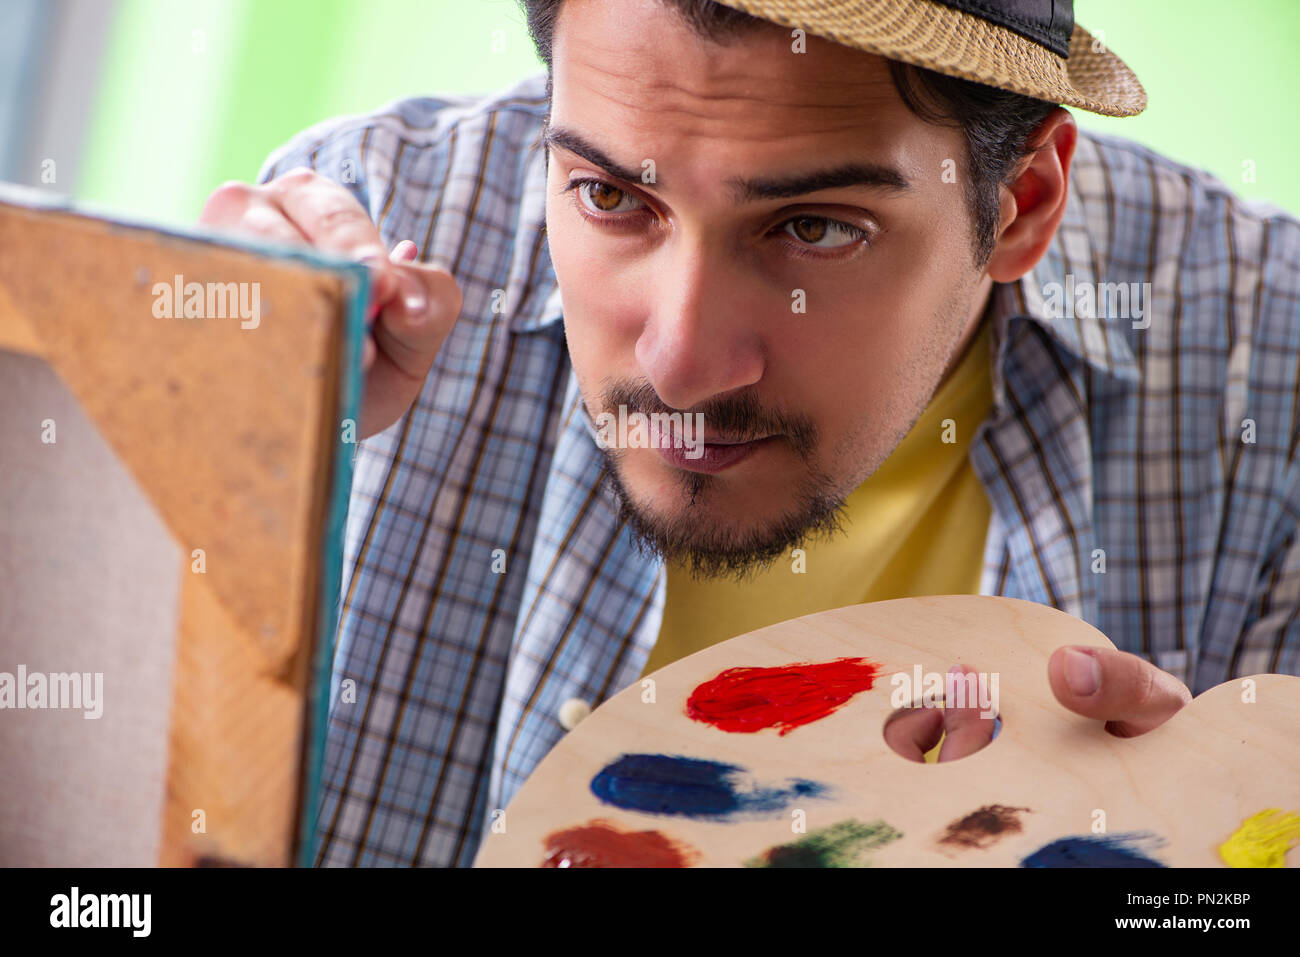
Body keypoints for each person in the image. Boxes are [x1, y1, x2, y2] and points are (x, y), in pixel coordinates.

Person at [198, 0, 1300, 866]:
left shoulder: (1269, 365)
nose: (679, 362)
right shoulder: (367, 226)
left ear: (1019, 204)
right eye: (609, 199)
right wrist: (159, 473)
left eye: (814, 228)